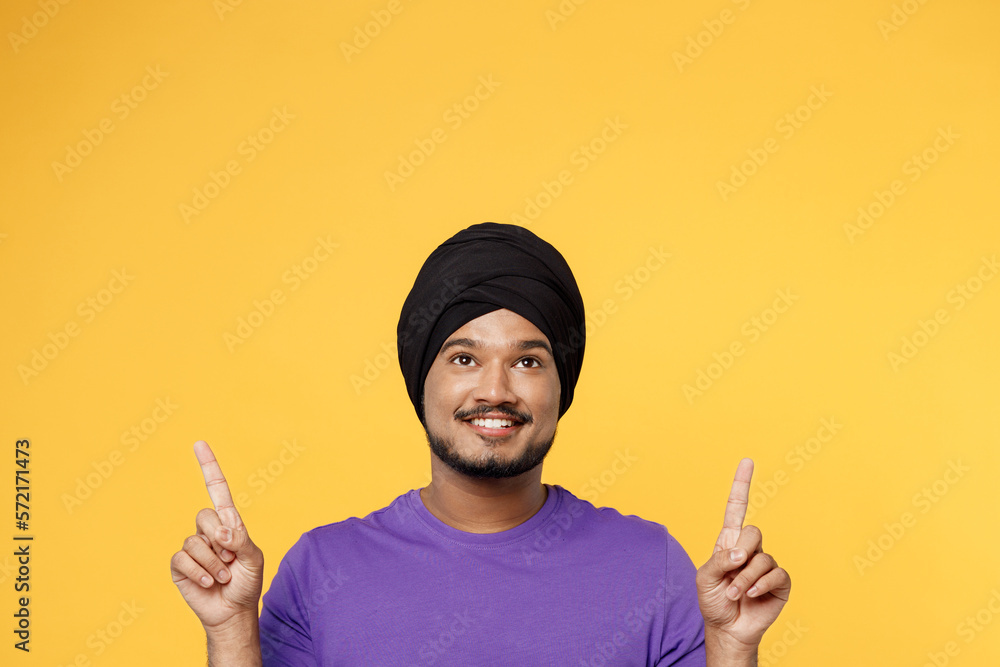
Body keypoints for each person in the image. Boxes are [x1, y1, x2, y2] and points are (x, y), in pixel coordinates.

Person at [170, 222, 790, 665]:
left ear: (561, 387)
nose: (495, 390)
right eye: (464, 357)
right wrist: (230, 631)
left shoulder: (651, 565)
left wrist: (733, 648)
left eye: (528, 361)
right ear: (423, 381)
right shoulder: (321, 569)